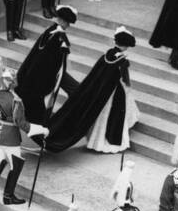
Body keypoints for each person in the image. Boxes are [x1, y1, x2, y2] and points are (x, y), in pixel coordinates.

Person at [44, 26, 138, 154]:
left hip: (102, 94)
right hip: (113, 94)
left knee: (101, 117)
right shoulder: (122, 61)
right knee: (112, 117)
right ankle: (107, 144)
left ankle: (96, 142)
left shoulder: (108, 54)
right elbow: (125, 79)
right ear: (126, 46)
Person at [0, 65, 48, 210]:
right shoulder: (16, 100)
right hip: (10, 138)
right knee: (16, 164)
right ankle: (8, 196)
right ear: (13, 82)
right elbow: (20, 123)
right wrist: (41, 129)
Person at [17, 4, 79, 125]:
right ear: (61, 20)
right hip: (51, 74)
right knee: (76, 91)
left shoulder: (51, 31)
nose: (68, 25)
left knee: (75, 90)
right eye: (67, 22)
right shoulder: (58, 36)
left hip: (50, 72)